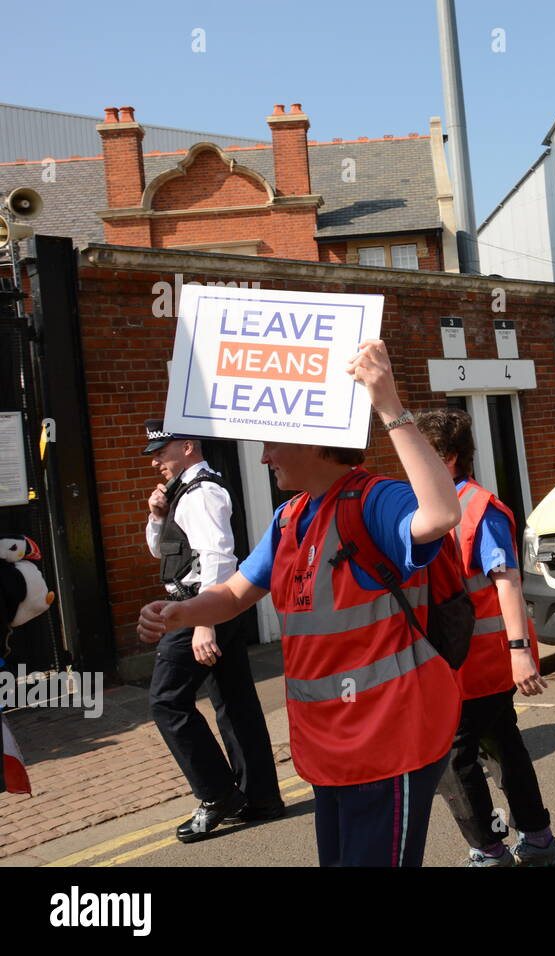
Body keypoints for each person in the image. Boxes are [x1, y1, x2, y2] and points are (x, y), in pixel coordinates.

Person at [139, 340, 463, 867]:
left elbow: (442, 513)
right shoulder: (290, 517)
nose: (263, 457)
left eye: (271, 444)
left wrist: (389, 405)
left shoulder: (376, 499)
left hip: (390, 742)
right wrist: (181, 612)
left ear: (313, 443)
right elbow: (234, 595)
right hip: (331, 751)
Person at [415, 408, 555, 867]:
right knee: (501, 745)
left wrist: (520, 653)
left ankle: (489, 848)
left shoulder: (479, 509)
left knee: (454, 758)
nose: (411, 464)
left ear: (450, 458)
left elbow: (508, 581)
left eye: (422, 454)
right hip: (455, 661)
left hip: (480, 662)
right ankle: (536, 838)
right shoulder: (426, 509)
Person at [140, 420, 281, 842]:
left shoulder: (202, 492)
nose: (155, 462)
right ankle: (259, 798)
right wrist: (156, 517)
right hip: (208, 609)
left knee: (166, 702)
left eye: (161, 452)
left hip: (199, 608)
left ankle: (218, 795)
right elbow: (162, 550)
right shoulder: (182, 493)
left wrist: (204, 623)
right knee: (234, 703)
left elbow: (220, 558)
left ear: (186, 446)